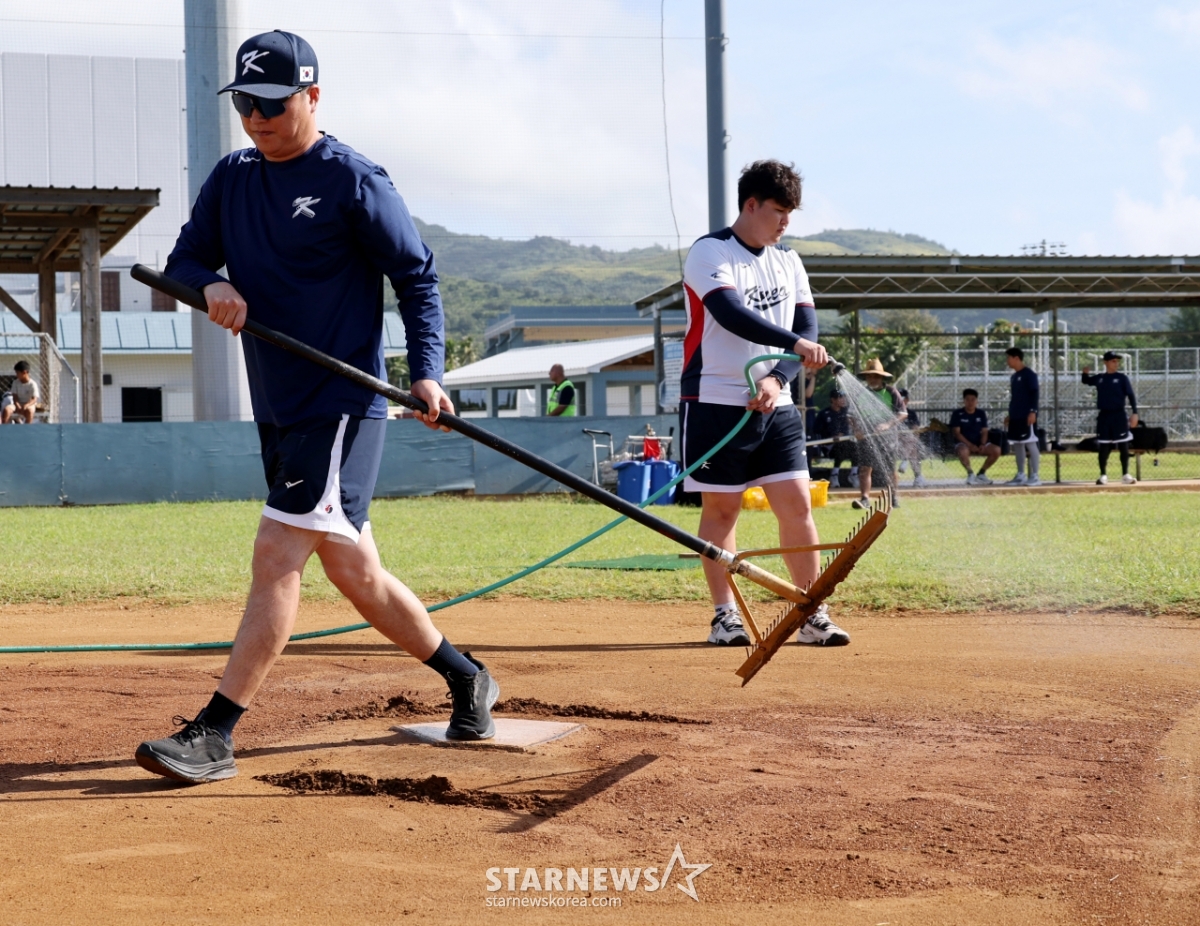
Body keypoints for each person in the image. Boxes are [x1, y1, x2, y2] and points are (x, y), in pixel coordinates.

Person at [134, 30, 498, 785]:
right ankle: (467, 677)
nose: (258, 118)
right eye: (245, 104)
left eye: (273, 103)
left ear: (313, 97)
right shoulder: (232, 178)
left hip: (342, 400)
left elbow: (418, 280)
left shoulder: (354, 180)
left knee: (277, 555)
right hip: (280, 399)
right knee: (356, 572)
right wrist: (211, 286)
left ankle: (216, 734)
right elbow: (183, 262)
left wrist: (426, 374)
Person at [681, 159, 850, 648]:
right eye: (778, 211)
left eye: (791, 213)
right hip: (714, 400)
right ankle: (724, 615)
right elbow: (731, 314)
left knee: (797, 505)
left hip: (776, 406)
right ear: (750, 205)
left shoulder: (789, 260)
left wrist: (778, 378)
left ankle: (810, 611)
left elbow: (807, 328)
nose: (785, 222)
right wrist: (794, 350)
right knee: (722, 512)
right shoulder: (709, 252)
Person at [851, 357, 905, 510]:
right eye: (869, 376)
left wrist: (887, 424)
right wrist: (857, 430)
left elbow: (902, 413)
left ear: (881, 377)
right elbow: (852, 416)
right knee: (865, 468)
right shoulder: (860, 393)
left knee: (890, 468)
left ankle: (893, 497)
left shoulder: (891, 392)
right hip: (866, 436)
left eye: (875, 376)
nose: (872, 379)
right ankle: (865, 499)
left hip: (887, 437)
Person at [1082, 351, 1139, 485]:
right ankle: (1103, 475)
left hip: (1119, 415)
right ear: (1106, 363)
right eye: (1113, 361)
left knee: (1124, 445)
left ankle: (1125, 474)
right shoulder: (1100, 378)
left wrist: (1135, 413)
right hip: (1104, 416)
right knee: (1104, 446)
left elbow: (1131, 396)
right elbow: (1086, 381)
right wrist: (1084, 373)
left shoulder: (1122, 378)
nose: (1116, 363)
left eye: (1117, 361)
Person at [1004, 346, 1041, 486]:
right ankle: (1021, 475)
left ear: (1016, 358)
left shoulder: (1029, 374)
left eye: (1009, 358)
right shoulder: (1014, 377)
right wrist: (1010, 414)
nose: (1007, 361)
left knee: (1030, 443)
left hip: (1027, 416)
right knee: (1018, 444)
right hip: (1016, 416)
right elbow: (1015, 398)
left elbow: (1034, 393)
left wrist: (1033, 411)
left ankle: (1035, 475)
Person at [949, 388, 1000, 485]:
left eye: (973, 399)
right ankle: (970, 474)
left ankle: (981, 474)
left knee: (996, 450)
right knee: (963, 451)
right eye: (967, 399)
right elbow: (957, 433)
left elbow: (985, 431)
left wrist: (982, 444)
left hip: (979, 443)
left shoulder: (981, 413)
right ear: (964, 401)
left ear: (977, 401)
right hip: (963, 444)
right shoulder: (957, 414)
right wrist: (970, 445)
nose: (970, 402)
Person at [812, 388, 856, 486]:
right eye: (840, 397)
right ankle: (834, 475)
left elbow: (852, 426)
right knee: (840, 446)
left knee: (857, 447)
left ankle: (854, 474)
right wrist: (832, 436)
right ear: (833, 399)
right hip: (829, 446)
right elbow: (816, 430)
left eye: (844, 397)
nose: (843, 399)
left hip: (845, 443)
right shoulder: (824, 414)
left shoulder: (847, 413)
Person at [896, 387, 926, 488]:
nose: (899, 401)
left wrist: (911, 439)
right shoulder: (890, 412)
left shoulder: (911, 414)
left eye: (902, 398)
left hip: (908, 444)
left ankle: (907, 462)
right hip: (894, 443)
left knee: (912, 445)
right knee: (911, 444)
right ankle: (917, 475)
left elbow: (916, 431)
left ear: (907, 400)